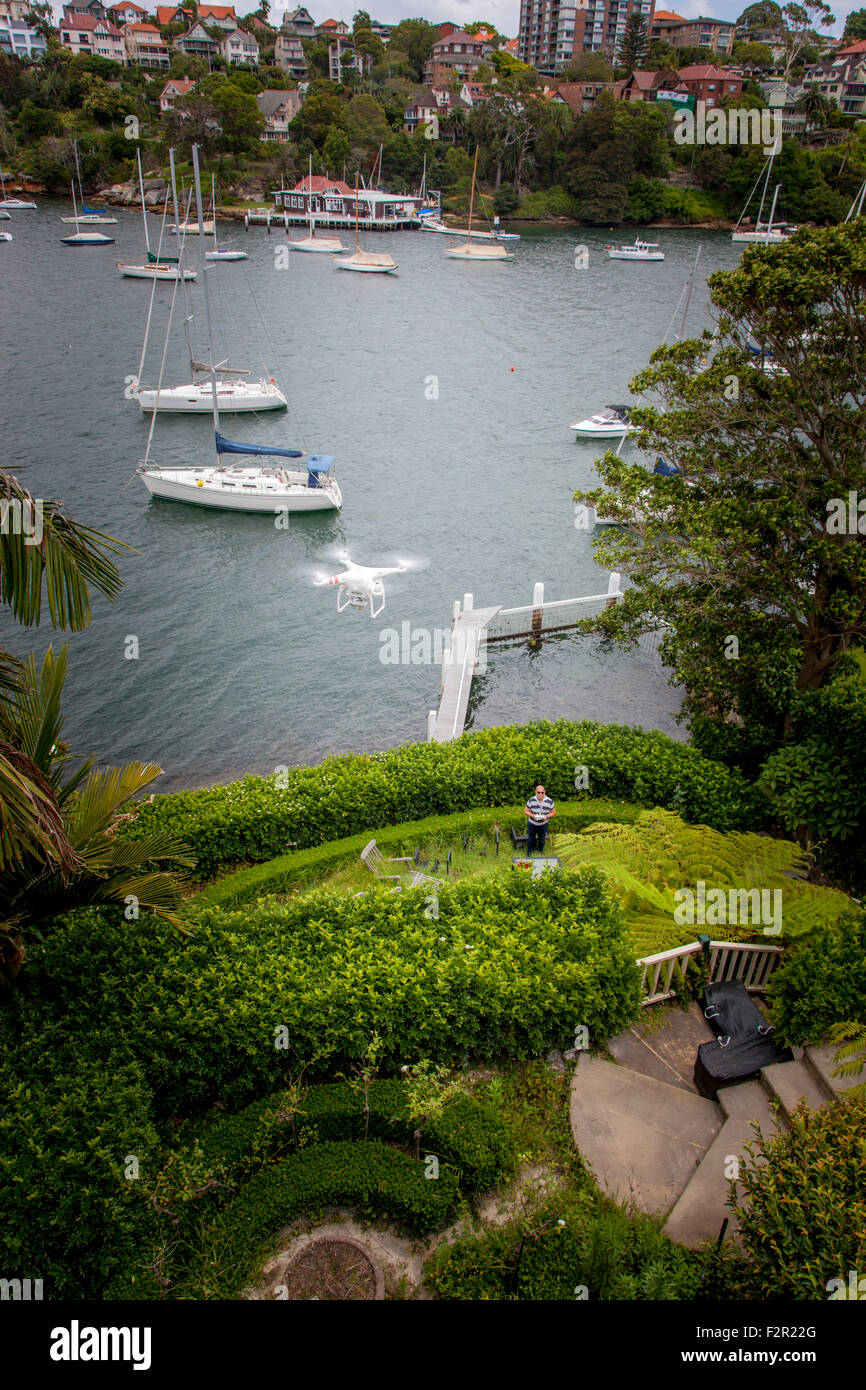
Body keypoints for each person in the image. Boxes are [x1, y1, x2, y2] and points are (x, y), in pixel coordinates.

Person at [524, 784, 555, 855]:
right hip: (532, 823)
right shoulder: (531, 800)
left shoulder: (549, 801)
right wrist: (533, 815)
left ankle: (541, 851)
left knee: (542, 839)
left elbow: (553, 812)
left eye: (542, 792)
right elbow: (526, 811)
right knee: (531, 838)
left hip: (543, 824)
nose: (540, 794)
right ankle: (530, 851)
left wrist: (546, 816)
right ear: (536, 792)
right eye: (538, 792)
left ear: (545, 792)